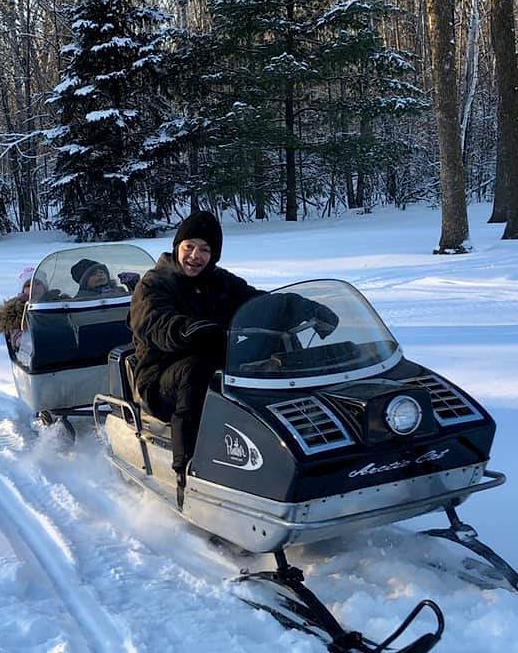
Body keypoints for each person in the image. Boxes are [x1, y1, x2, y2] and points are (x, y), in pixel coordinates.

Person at [128, 211, 336, 508]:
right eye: (190, 246)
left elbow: (259, 304)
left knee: (278, 344)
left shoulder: (220, 281)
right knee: (195, 369)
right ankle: (187, 474)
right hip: (160, 378)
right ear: (178, 246)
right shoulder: (153, 285)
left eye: (205, 250)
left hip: (218, 361)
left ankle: (305, 445)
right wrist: (190, 331)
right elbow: (156, 324)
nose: (195, 256)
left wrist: (305, 308)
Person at [0, 266, 37, 352]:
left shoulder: (55, 303)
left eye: (37, 283)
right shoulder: (15, 311)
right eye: (29, 285)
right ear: (22, 290)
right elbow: (17, 338)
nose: (34, 287)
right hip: (32, 355)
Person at [71, 258, 137, 298]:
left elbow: (137, 307)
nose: (99, 274)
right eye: (93, 273)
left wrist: (134, 286)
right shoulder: (80, 298)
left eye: (101, 271)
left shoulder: (119, 290)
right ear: (84, 282)